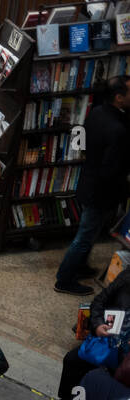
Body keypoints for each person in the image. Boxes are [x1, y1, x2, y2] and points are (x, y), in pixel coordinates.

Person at [54, 77, 130, 296]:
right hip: (102, 192)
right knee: (85, 237)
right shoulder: (118, 130)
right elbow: (111, 170)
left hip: (89, 181)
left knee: (89, 232)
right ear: (118, 98)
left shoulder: (97, 112)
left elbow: (83, 142)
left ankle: (80, 267)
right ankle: (64, 279)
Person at [57, 268, 130, 400]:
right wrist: (98, 324)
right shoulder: (127, 276)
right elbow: (98, 301)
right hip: (107, 342)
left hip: (125, 360)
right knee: (72, 360)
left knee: (100, 380)